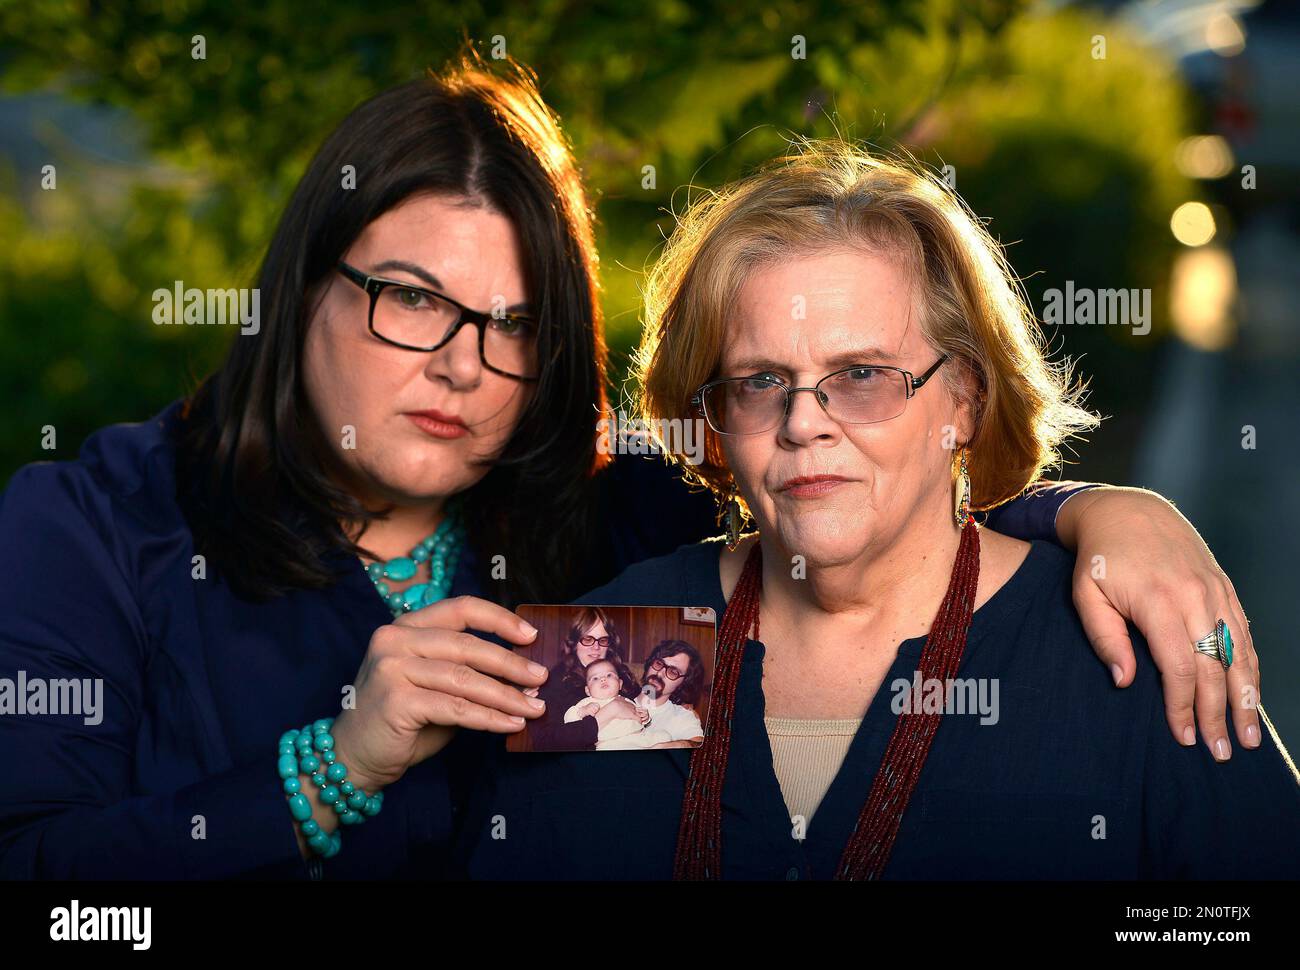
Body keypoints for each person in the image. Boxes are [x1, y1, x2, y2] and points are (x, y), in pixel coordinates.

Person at [0, 53, 1266, 880]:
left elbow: (831, 493)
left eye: (512, 324)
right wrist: (332, 762)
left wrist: (1104, 513)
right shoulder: (99, 524)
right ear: (299, 289)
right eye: (407, 299)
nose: (458, 364)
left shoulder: (608, 532)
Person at [448, 140, 1298, 880]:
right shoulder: (618, 643)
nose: (805, 422)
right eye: (760, 381)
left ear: (963, 399)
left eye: (862, 375)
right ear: (713, 421)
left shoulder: (1125, 648)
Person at [529, 607, 647, 752]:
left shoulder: (619, 673)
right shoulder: (554, 681)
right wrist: (610, 712)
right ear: (574, 642)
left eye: (602, 640)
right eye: (587, 639)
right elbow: (544, 742)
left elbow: (645, 703)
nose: (596, 647)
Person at [563, 660, 670, 751]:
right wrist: (582, 711)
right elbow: (569, 721)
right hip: (611, 743)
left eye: (609, 675)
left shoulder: (625, 700)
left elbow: (639, 719)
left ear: (620, 684)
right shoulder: (587, 702)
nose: (603, 679)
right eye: (595, 678)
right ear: (588, 690)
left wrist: (645, 718)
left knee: (663, 736)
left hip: (639, 736)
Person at [637, 640, 706, 748]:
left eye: (673, 672)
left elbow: (701, 746)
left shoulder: (682, 717)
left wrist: (681, 745)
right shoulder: (616, 693)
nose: (659, 673)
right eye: (659, 663)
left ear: (684, 683)